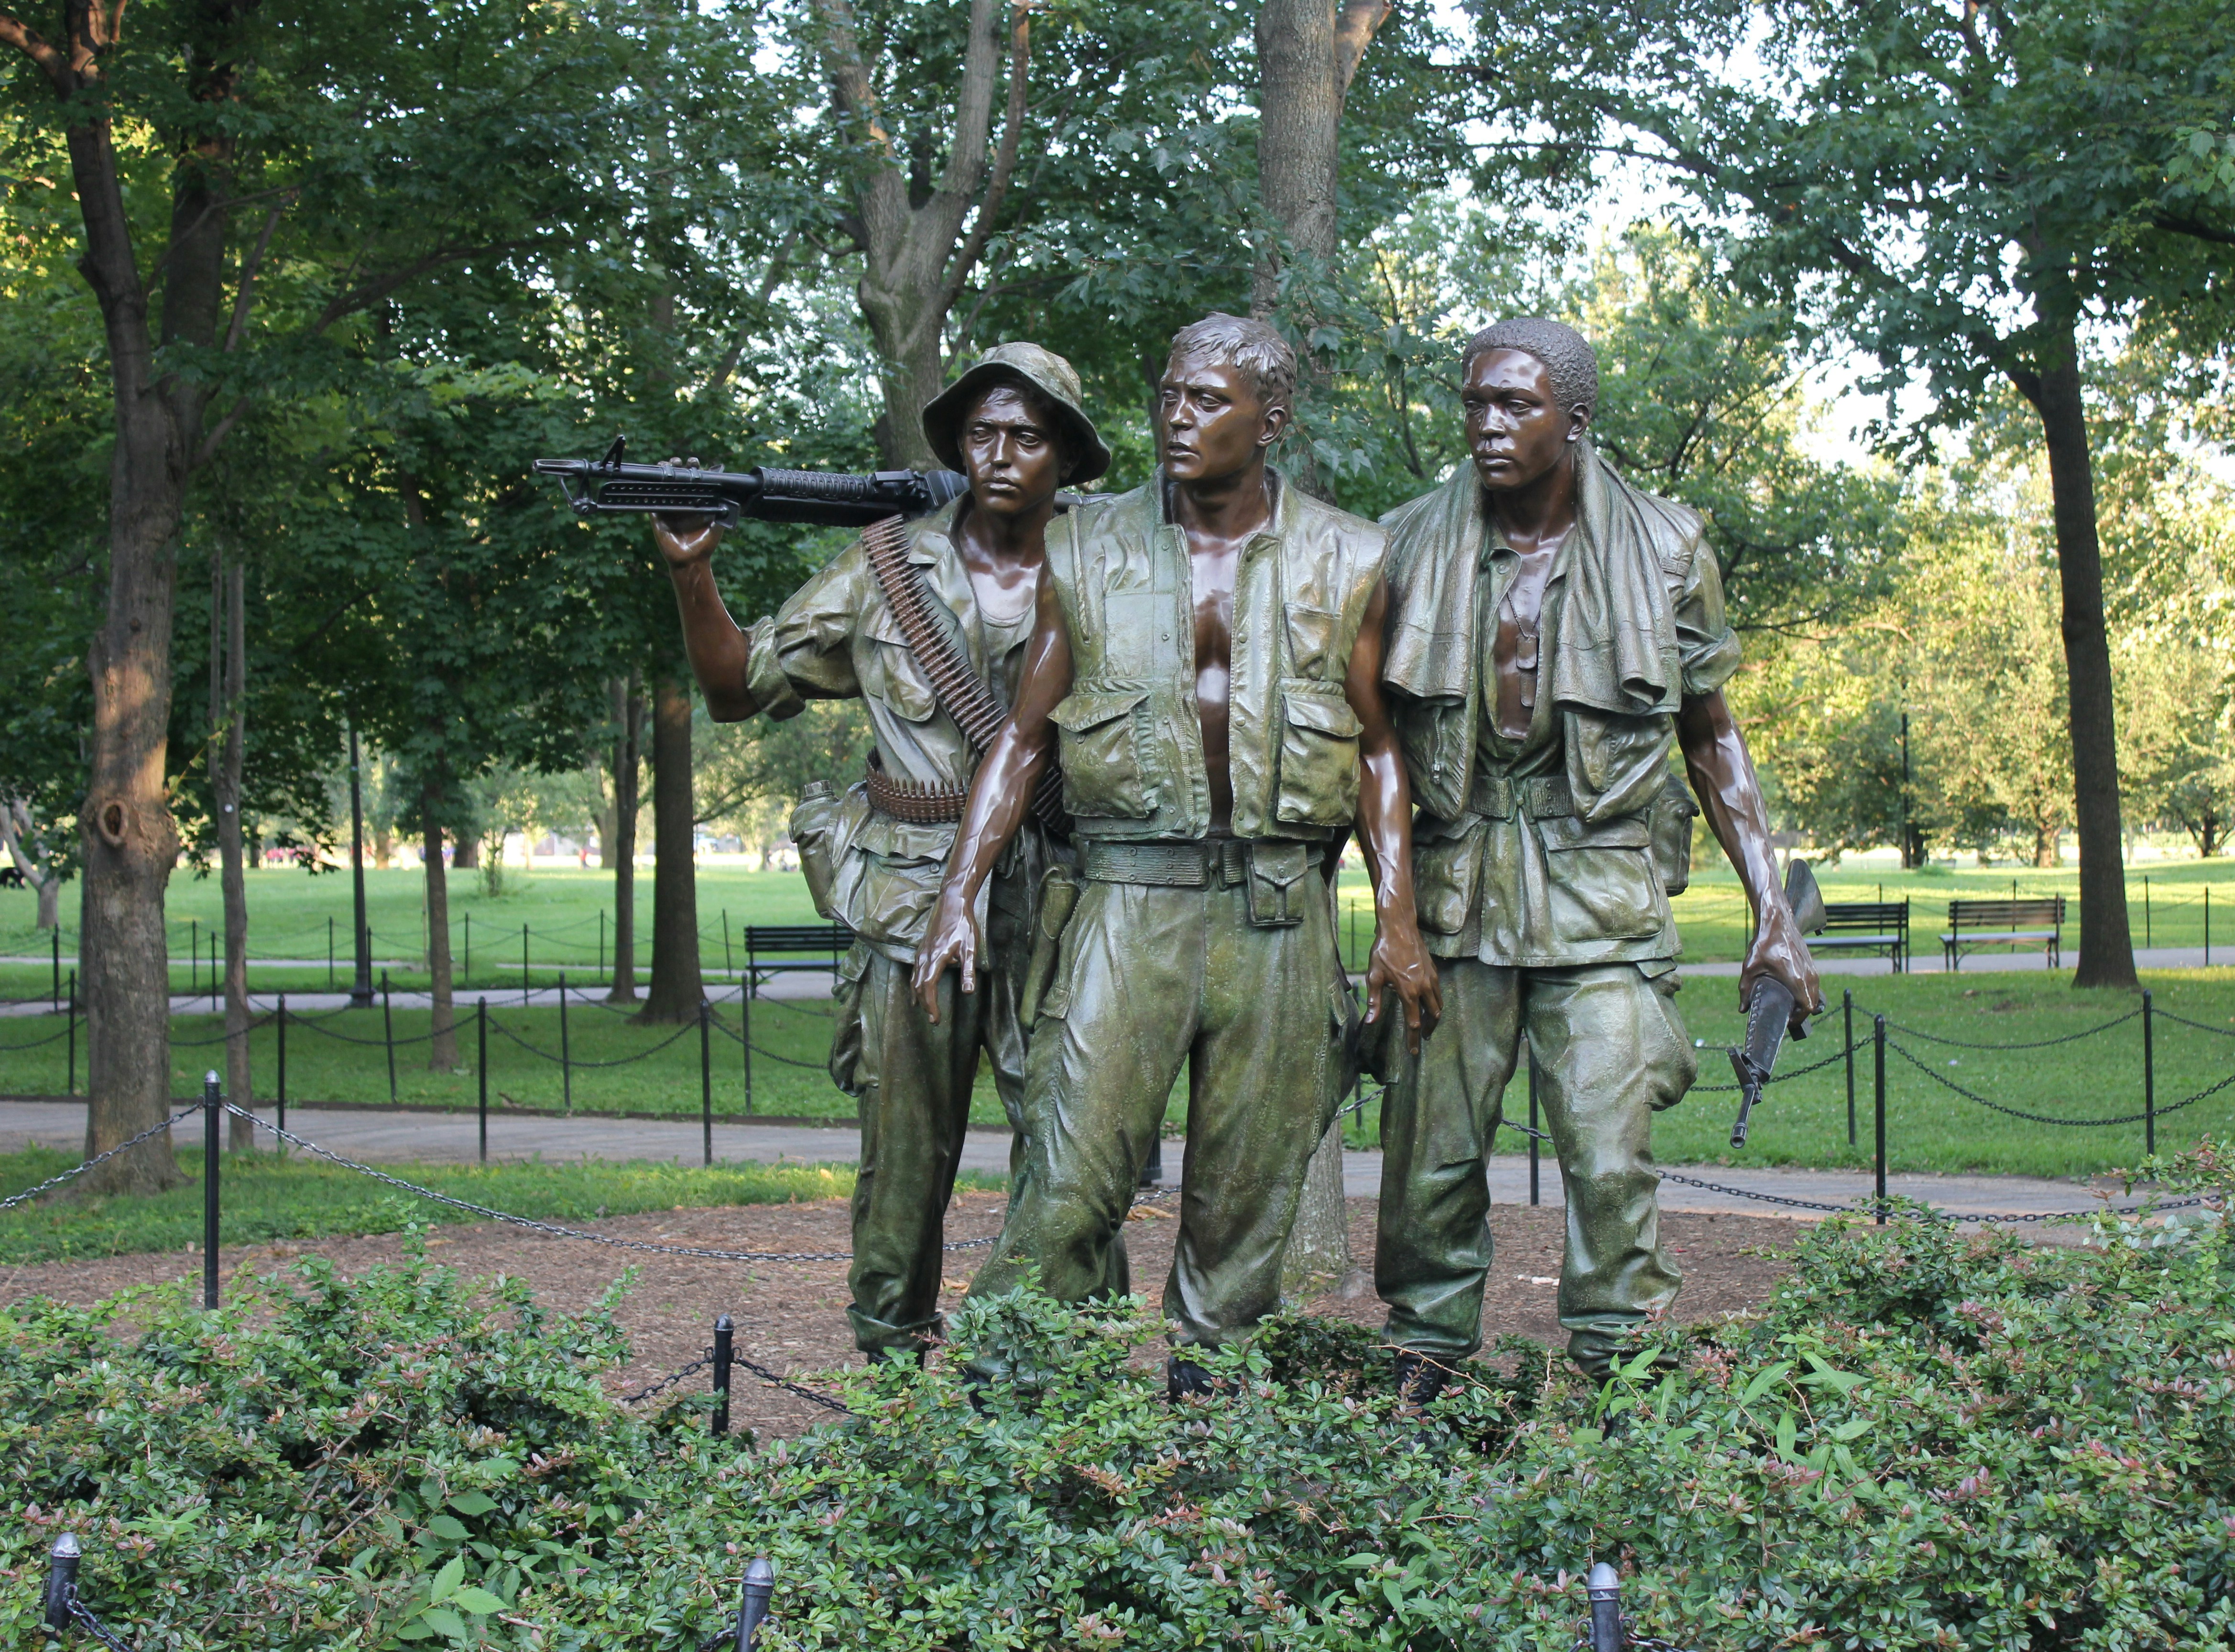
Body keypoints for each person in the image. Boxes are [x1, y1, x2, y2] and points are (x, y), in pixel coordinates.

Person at [912, 313, 1440, 1394]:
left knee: (1243, 1209)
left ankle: (1206, 1446)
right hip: (1125, 905)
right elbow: (1021, 737)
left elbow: (1382, 753)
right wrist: (959, 895)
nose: (1178, 416)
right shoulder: (1086, 543)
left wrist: (1398, 921)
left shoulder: (1352, 555)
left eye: (1208, 401)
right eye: (1171, 395)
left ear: (1272, 420)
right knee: (1068, 1187)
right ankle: (1000, 1438)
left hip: (1279, 914)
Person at [1373, 317, 1822, 1398]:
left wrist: (1773, 905)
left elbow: (1711, 733)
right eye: (1475, 403)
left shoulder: (1666, 547)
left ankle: (1622, 1380)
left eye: (1514, 407)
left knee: (1611, 1156)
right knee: (1428, 1159)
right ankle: (1425, 1368)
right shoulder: (1400, 542)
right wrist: (1391, 918)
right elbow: (1371, 742)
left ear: (1574, 424)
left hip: (1602, 889)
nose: (1487, 425)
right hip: (1454, 888)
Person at [650, 340, 1119, 1362]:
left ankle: (1069, 1368)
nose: (1000, 454)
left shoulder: (1116, 559)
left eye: (1028, 436)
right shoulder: (884, 568)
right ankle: (892, 1365)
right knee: (904, 1154)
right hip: (910, 897)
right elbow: (736, 689)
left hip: (1063, 894)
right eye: (981, 433)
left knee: (1079, 1142)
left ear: (1068, 458)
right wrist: (695, 576)